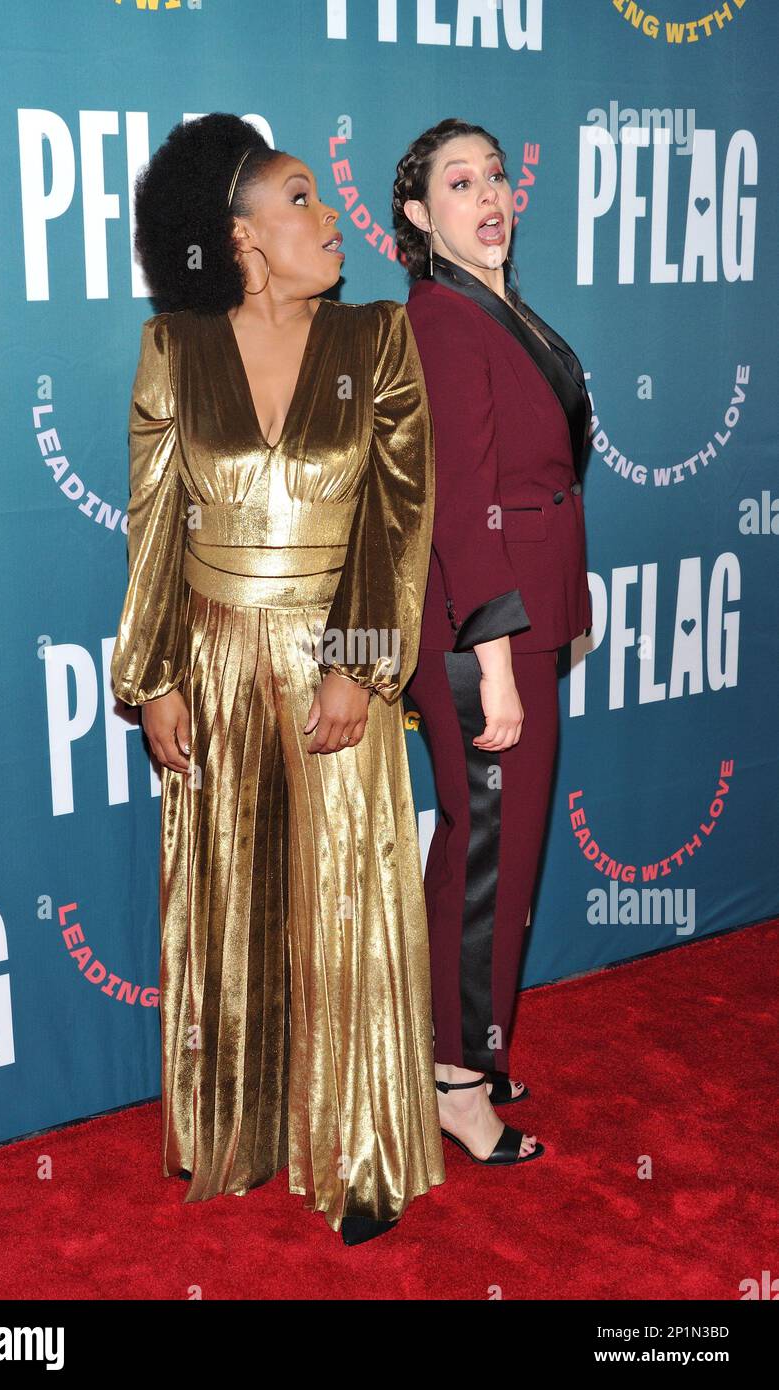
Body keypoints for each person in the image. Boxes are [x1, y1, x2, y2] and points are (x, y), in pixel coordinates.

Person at [110, 113, 444, 1245]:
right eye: (301, 198)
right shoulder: (175, 349)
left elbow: (397, 517)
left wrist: (356, 662)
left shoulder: (375, 337)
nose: (329, 214)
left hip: (332, 652)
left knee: (347, 897)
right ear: (241, 235)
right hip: (208, 654)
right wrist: (155, 673)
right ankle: (239, 1129)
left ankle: (360, 1153)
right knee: (227, 896)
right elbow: (155, 524)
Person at [394, 117, 592, 1168]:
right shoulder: (440, 317)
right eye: (458, 182)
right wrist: (499, 662)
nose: (488, 196)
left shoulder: (493, 304)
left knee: (491, 849)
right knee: (488, 859)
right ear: (419, 216)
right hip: (482, 634)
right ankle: (456, 1088)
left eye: (497, 176)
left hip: (522, 615)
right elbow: (461, 504)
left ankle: (464, 1046)